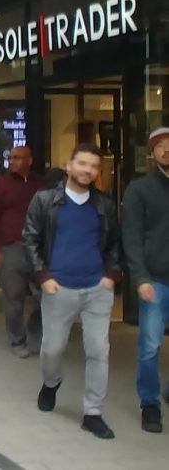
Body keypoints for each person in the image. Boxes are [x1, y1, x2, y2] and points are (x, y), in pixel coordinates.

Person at [24, 143, 121, 440]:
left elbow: (116, 243)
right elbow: (30, 238)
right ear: (69, 165)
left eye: (93, 166)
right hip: (58, 287)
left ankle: (93, 412)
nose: (87, 170)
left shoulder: (104, 204)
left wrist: (112, 275)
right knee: (52, 349)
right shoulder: (44, 200)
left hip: (96, 288)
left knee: (98, 351)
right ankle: (51, 383)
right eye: (82, 164)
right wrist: (42, 276)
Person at [120, 127, 169, 433]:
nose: (167, 150)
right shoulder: (139, 190)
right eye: (161, 146)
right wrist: (139, 277)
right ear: (152, 153)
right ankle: (149, 403)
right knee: (150, 346)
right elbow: (132, 237)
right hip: (154, 279)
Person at [0, 146, 47, 358]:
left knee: (48, 297)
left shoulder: (41, 184)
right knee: (14, 297)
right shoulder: (0, 185)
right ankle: (17, 340)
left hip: (38, 249)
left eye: (18, 158)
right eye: (10, 158)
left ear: (30, 160)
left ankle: (34, 329)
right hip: (11, 248)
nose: (12, 161)